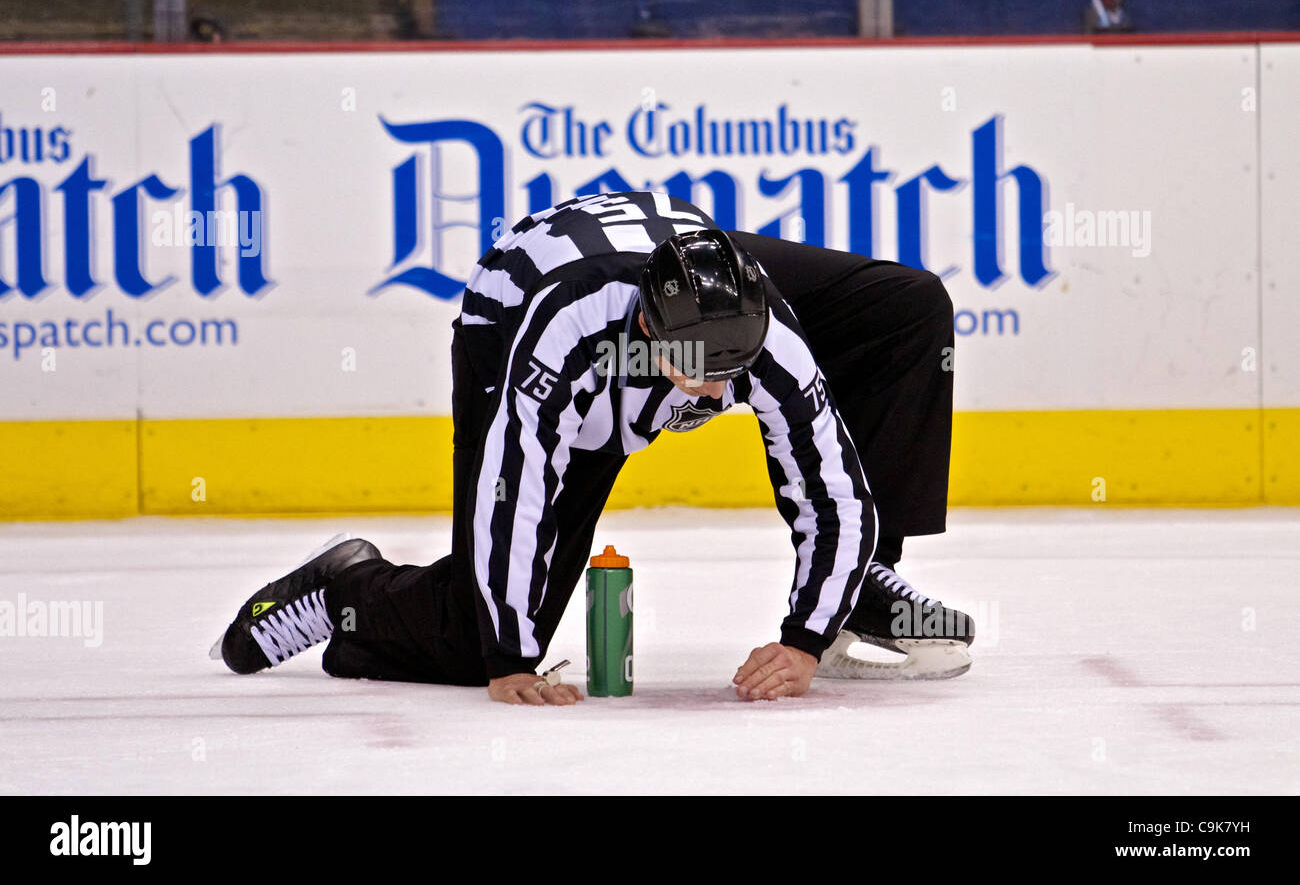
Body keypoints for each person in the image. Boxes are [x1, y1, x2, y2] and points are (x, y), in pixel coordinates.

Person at [212, 191, 973, 704]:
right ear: (648, 334)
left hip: (677, 261)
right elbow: (518, 481)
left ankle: (862, 587)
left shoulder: (760, 332)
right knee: (474, 637)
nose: (713, 396)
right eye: (697, 375)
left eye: (729, 372)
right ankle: (348, 589)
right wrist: (509, 657)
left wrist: (807, 633)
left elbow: (829, 482)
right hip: (515, 310)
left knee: (905, 307)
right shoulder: (566, 335)